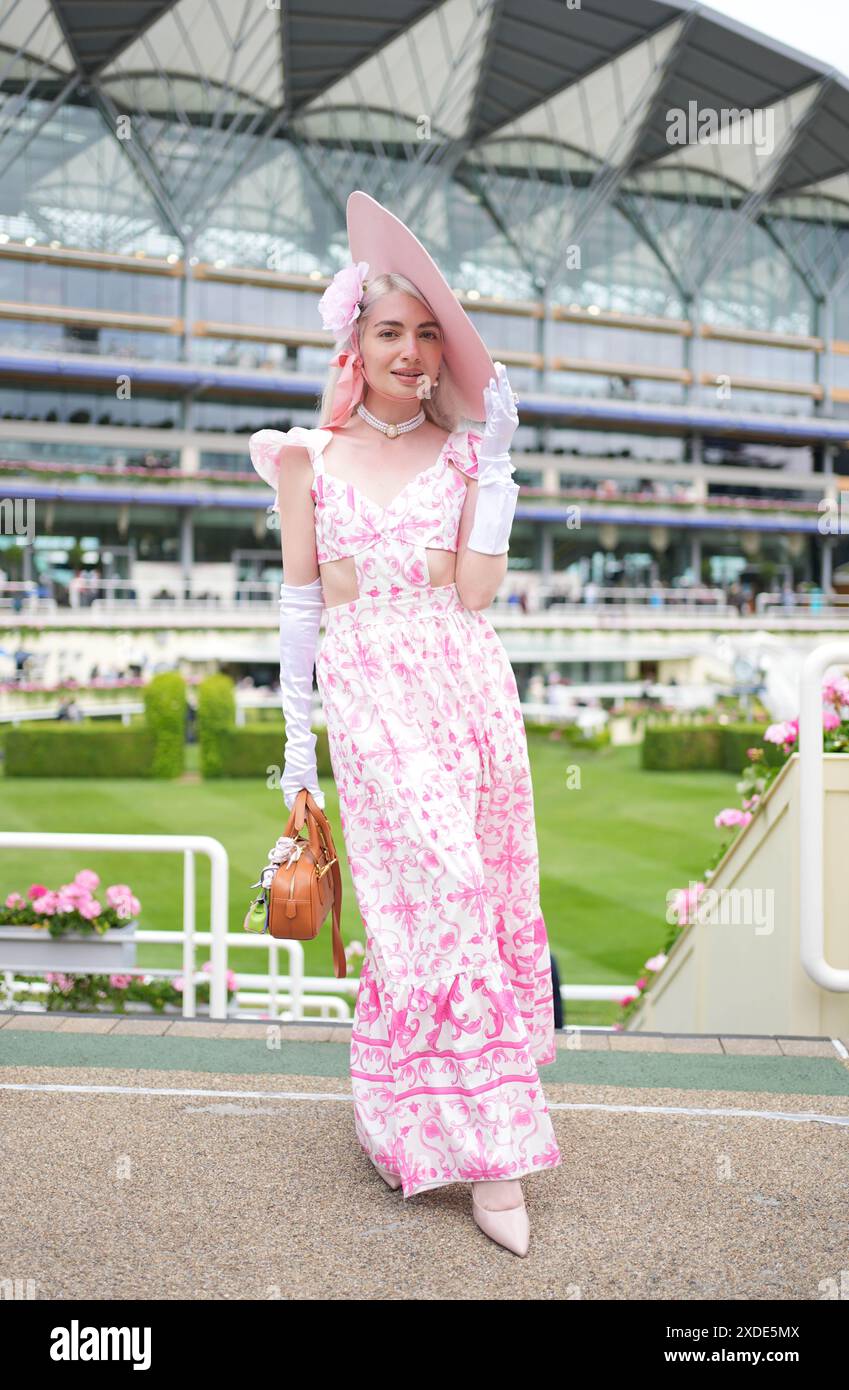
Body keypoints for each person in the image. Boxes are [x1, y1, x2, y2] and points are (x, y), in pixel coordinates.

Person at [249, 191, 561, 1258]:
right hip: (371, 707)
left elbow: (475, 594)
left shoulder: (469, 459)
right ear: (356, 341)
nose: (414, 351)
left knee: (452, 904)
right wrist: (298, 752)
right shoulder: (305, 462)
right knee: (443, 895)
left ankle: (400, 1116)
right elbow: (301, 609)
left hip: (470, 694)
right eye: (392, 330)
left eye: (430, 334)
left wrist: (506, 460)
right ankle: (498, 1153)